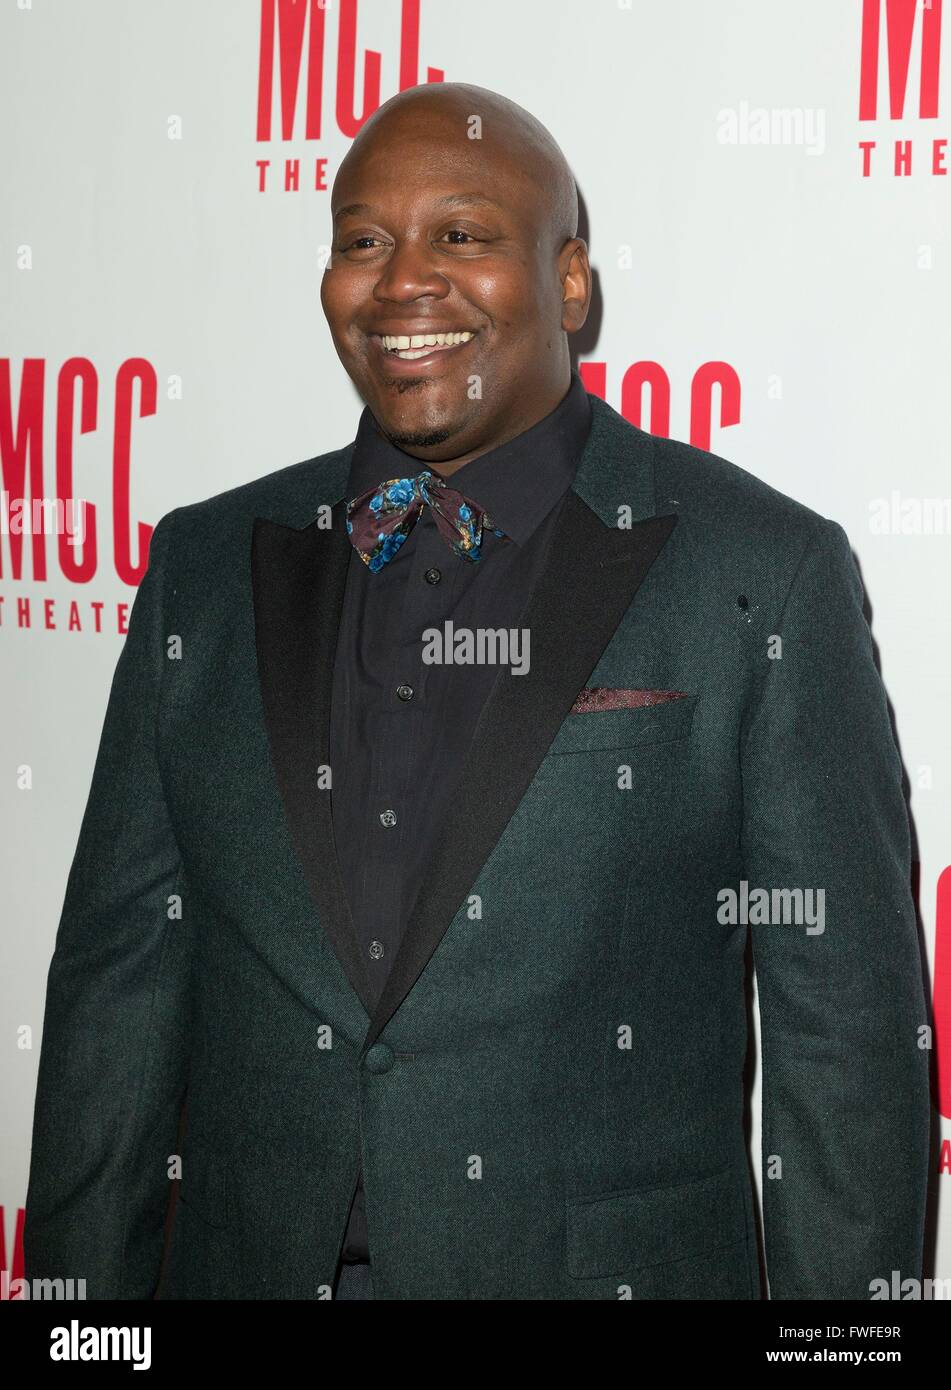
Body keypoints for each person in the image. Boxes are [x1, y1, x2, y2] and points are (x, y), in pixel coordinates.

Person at [24, 82, 930, 1300]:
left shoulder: (758, 573)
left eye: (462, 234)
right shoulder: (203, 565)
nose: (404, 280)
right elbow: (114, 996)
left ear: (569, 283)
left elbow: (846, 1039)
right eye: (362, 239)